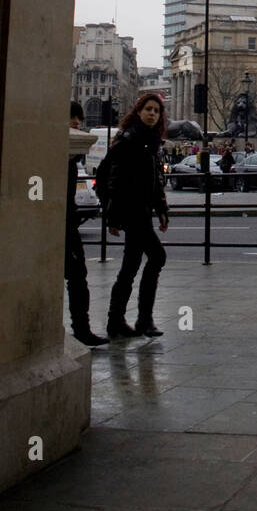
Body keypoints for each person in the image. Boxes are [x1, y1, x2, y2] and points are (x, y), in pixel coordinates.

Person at [105, 94, 170, 339]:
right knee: (157, 257)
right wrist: (112, 216)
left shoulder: (152, 141)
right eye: (148, 109)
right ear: (138, 111)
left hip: (143, 210)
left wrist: (162, 209)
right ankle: (142, 319)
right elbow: (114, 179)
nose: (152, 113)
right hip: (132, 211)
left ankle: (118, 321)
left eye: (156, 110)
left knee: (130, 266)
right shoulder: (129, 139)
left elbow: (156, 181)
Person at [65, 102, 108, 346]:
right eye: (71, 117)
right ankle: (81, 328)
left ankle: (82, 328)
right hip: (58, 223)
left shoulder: (71, 157)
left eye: (78, 118)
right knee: (75, 276)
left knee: (78, 276)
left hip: (68, 222)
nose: (76, 122)